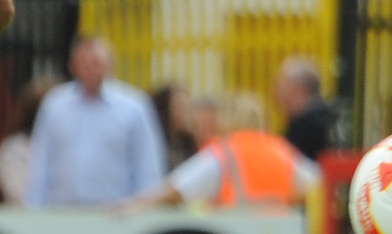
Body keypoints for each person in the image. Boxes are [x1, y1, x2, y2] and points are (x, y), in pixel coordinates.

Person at [25, 36, 168, 207]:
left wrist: (143, 206)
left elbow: (147, 165)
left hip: (115, 212)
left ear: (110, 65)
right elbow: (42, 160)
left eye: (97, 63)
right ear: (73, 65)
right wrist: (34, 206)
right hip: (62, 210)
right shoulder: (55, 105)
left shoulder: (133, 107)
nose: (91, 69)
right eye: (85, 63)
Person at [120, 92, 320, 210]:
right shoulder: (283, 152)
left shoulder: (223, 153)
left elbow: (176, 189)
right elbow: (317, 184)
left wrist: (130, 206)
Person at [273, 56, 336, 160]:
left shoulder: (308, 129)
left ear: (299, 89)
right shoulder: (325, 119)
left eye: (281, 85)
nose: (275, 92)